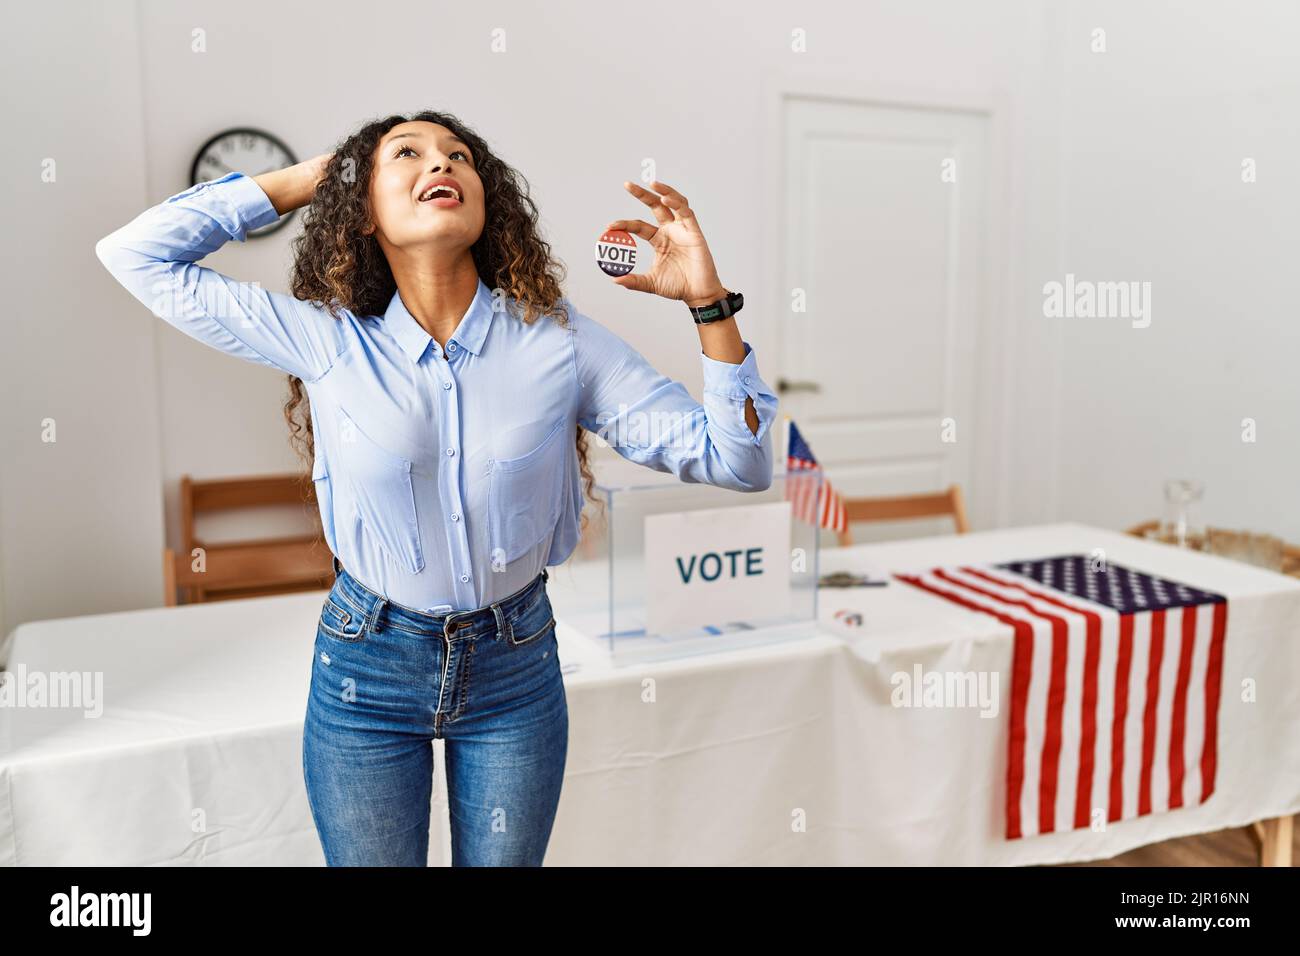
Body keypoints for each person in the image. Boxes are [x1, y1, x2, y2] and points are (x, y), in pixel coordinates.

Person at [95, 110, 779, 866]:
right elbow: (134, 256)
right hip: (367, 668)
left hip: (515, 671)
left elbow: (738, 460)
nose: (441, 165)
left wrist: (708, 304)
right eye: (408, 155)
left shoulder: (561, 342)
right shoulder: (326, 339)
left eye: (459, 156)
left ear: (489, 204)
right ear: (362, 211)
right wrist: (308, 180)